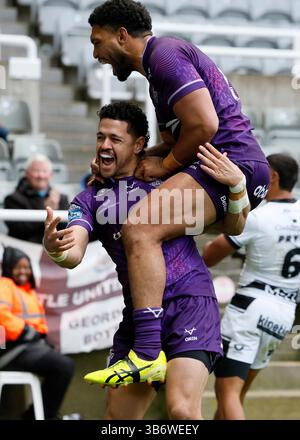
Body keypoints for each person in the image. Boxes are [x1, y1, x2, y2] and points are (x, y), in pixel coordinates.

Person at [87, 0, 270, 373]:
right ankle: (153, 343)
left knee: (140, 227)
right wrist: (128, 164)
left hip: (229, 164)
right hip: (228, 172)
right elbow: (176, 140)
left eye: (98, 41)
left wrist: (165, 166)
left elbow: (204, 125)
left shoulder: (165, 56)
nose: (96, 54)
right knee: (160, 227)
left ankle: (148, 352)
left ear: (122, 35)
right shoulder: (159, 71)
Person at [42, 102, 231, 419]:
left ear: (139, 144)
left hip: (190, 303)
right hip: (139, 314)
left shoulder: (170, 179)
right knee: (118, 418)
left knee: (183, 411)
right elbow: (73, 253)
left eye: (115, 139)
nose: (104, 145)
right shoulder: (89, 198)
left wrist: (238, 186)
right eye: (100, 137)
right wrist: (56, 248)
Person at [202, 153, 300, 420]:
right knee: (237, 393)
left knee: (227, 392)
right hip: (284, 312)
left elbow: (212, 253)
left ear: (274, 177)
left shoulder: (259, 216)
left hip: (252, 308)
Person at [0, 246, 75, 420]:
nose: (23, 271)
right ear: (9, 268)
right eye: (18, 267)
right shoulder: (5, 284)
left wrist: (40, 337)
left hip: (28, 347)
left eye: (26, 267)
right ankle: (40, 416)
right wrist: (24, 330)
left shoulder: (29, 291)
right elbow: (1, 313)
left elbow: (39, 323)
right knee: (63, 367)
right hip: (13, 349)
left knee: (62, 367)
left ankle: (36, 414)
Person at [4, 154, 69, 243]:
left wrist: (56, 211)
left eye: (44, 171)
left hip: (55, 251)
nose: (41, 176)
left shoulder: (61, 198)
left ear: (51, 175)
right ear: (27, 173)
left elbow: (67, 229)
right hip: (24, 249)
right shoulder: (12, 199)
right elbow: (19, 231)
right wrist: (46, 211)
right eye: (36, 171)